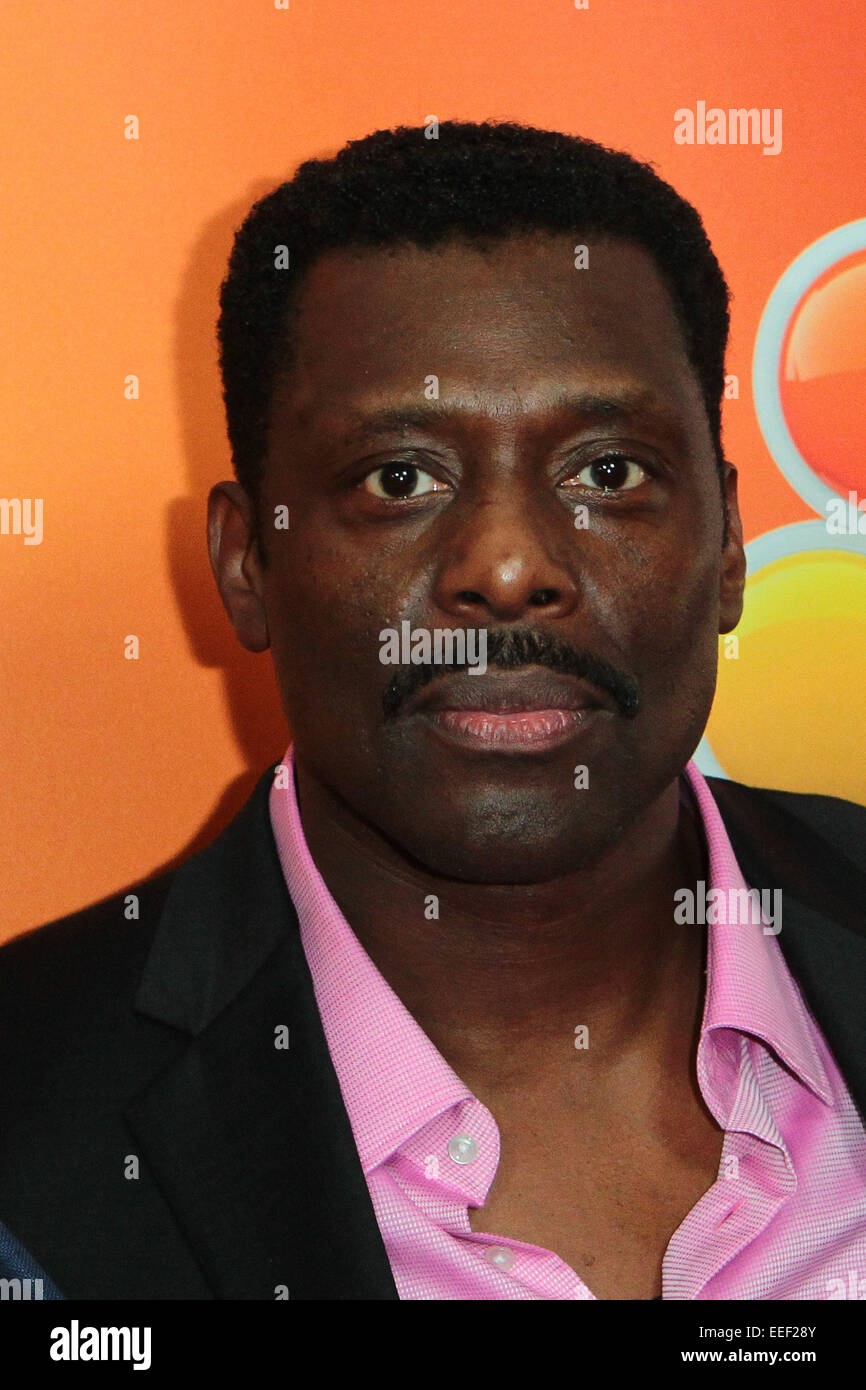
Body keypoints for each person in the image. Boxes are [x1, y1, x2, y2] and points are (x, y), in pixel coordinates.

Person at [1, 121, 864, 1302]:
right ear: (247, 561)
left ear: (722, 544)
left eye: (605, 471)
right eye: (397, 476)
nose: (507, 568)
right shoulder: (27, 1119)